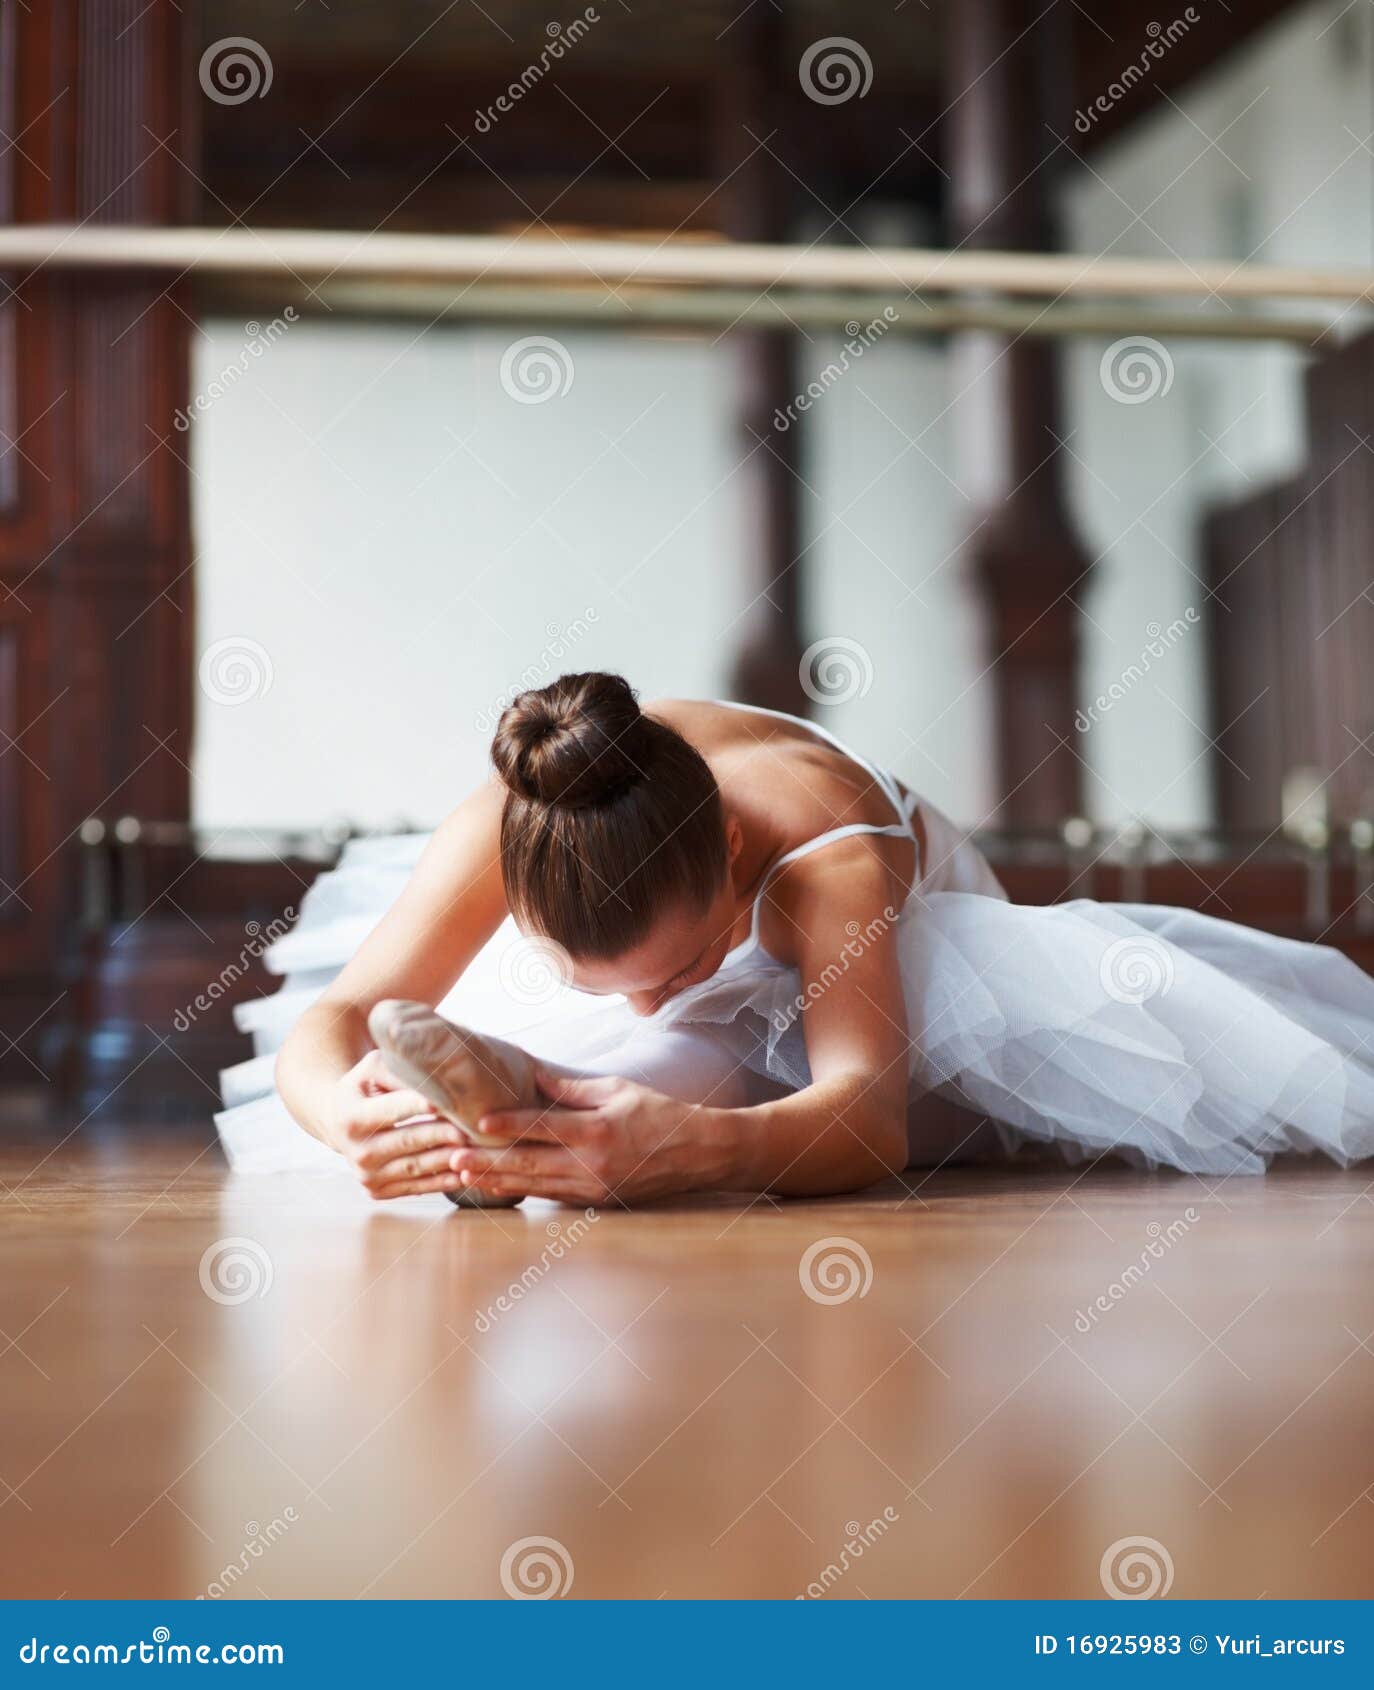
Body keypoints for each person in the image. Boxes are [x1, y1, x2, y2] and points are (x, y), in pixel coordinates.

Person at [220, 671, 1374, 1204]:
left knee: (733, 1055)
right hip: (720, 960)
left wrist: (700, 1152)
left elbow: (864, 1106)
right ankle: (528, 1107)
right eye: (587, 979)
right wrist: (347, 1121)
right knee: (688, 1033)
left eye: (668, 965)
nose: (640, 996)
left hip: (925, 970)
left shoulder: (832, 848)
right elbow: (331, 1023)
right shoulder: (521, 822)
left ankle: (546, 1101)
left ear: (730, 850)